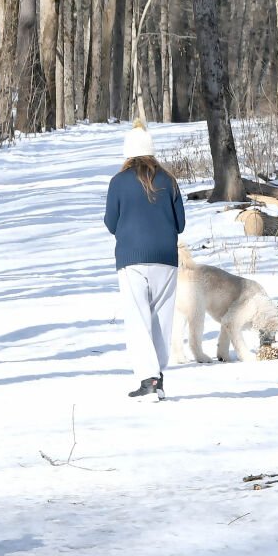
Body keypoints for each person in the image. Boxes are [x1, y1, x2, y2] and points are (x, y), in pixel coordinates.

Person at [103, 124, 186, 399]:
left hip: (132, 259)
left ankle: (149, 379)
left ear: (128, 153)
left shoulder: (118, 182)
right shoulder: (170, 180)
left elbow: (110, 223)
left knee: (138, 319)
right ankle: (157, 377)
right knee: (162, 318)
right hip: (165, 257)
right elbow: (181, 224)